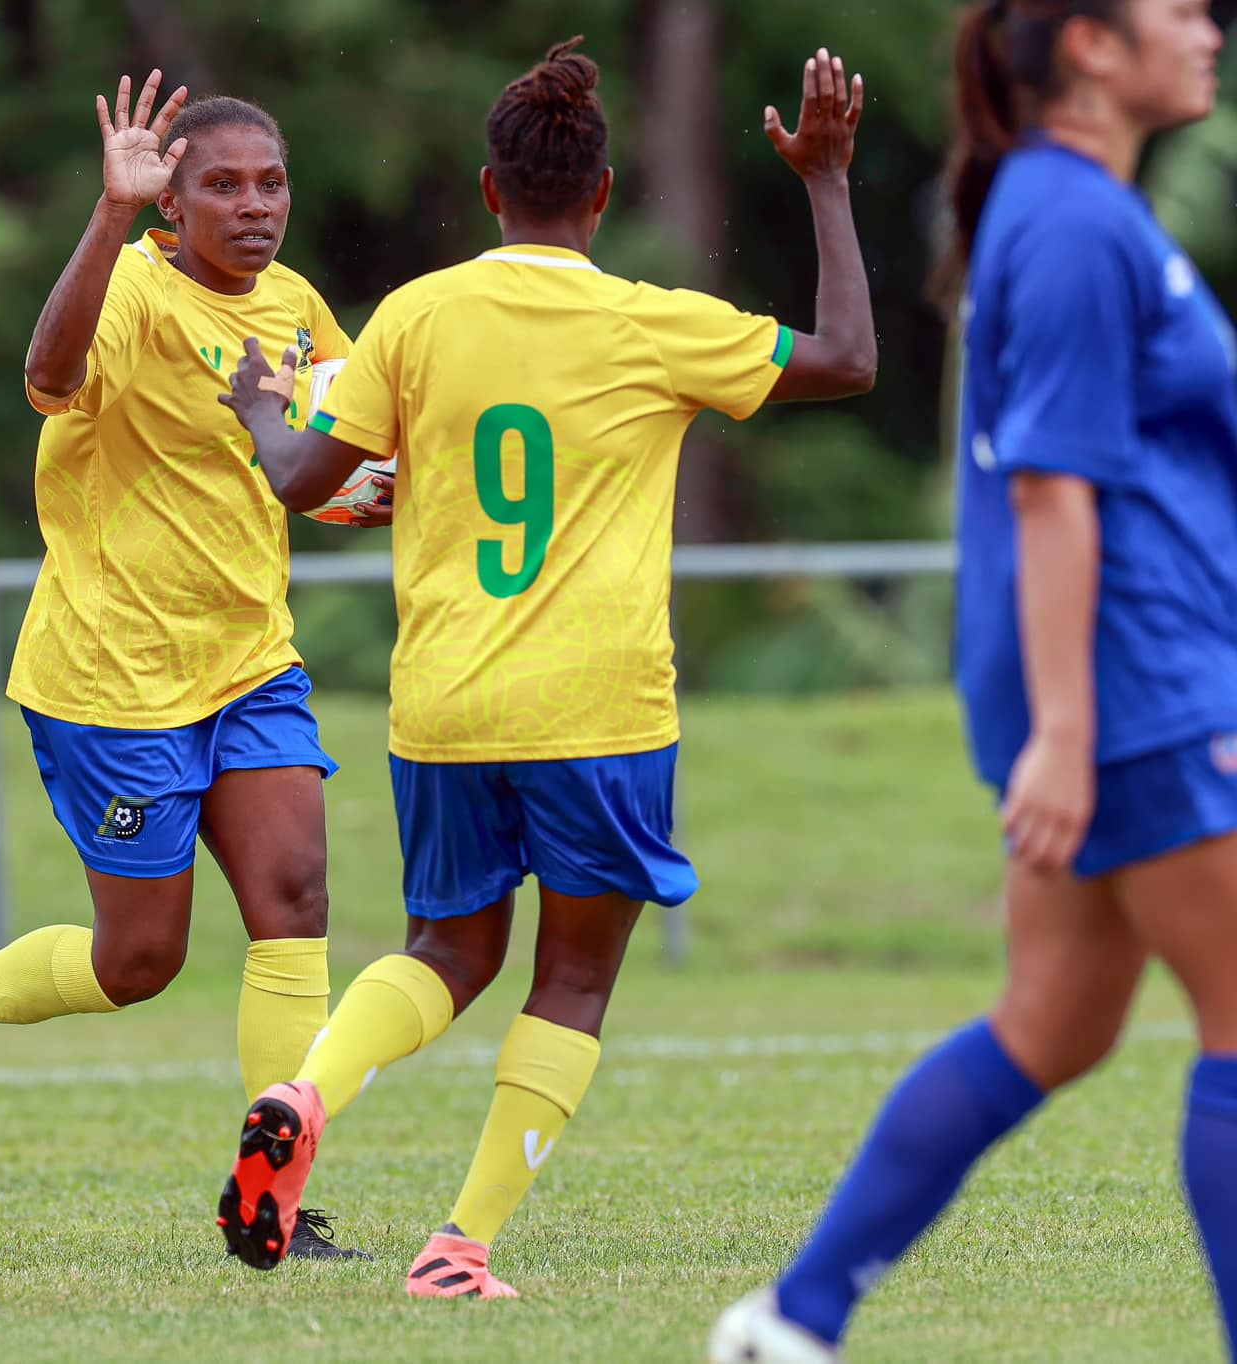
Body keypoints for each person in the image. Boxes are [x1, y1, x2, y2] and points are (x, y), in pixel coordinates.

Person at [213, 38, 877, 1297]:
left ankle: (303, 1087)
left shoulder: (413, 315)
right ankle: (456, 1248)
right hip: (598, 707)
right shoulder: (654, 325)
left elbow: (305, 479)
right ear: (605, 195)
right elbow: (847, 358)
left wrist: (259, 409)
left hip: (446, 700)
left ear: (485, 190)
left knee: (444, 950)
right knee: (569, 975)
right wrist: (826, 180)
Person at [712, 2, 1237, 1359]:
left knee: (1051, 1027)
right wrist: (1068, 733)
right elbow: (1056, 491)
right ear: (1089, 49)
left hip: (1129, 684)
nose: (1205, 28)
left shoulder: (1079, 212)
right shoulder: (1069, 221)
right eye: (1176, 11)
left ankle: (792, 1320)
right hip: (1138, 690)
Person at [0, 72, 382, 1260]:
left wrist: (383, 487)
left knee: (294, 899)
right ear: (168, 203)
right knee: (137, 960)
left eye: (271, 182)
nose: (254, 206)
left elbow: (331, 459)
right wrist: (103, 219)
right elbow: (45, 379)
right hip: (113, 675)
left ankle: (270, 1199)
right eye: (221, 186)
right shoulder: (132, 287)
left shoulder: (297, 306)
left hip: (251, 658)